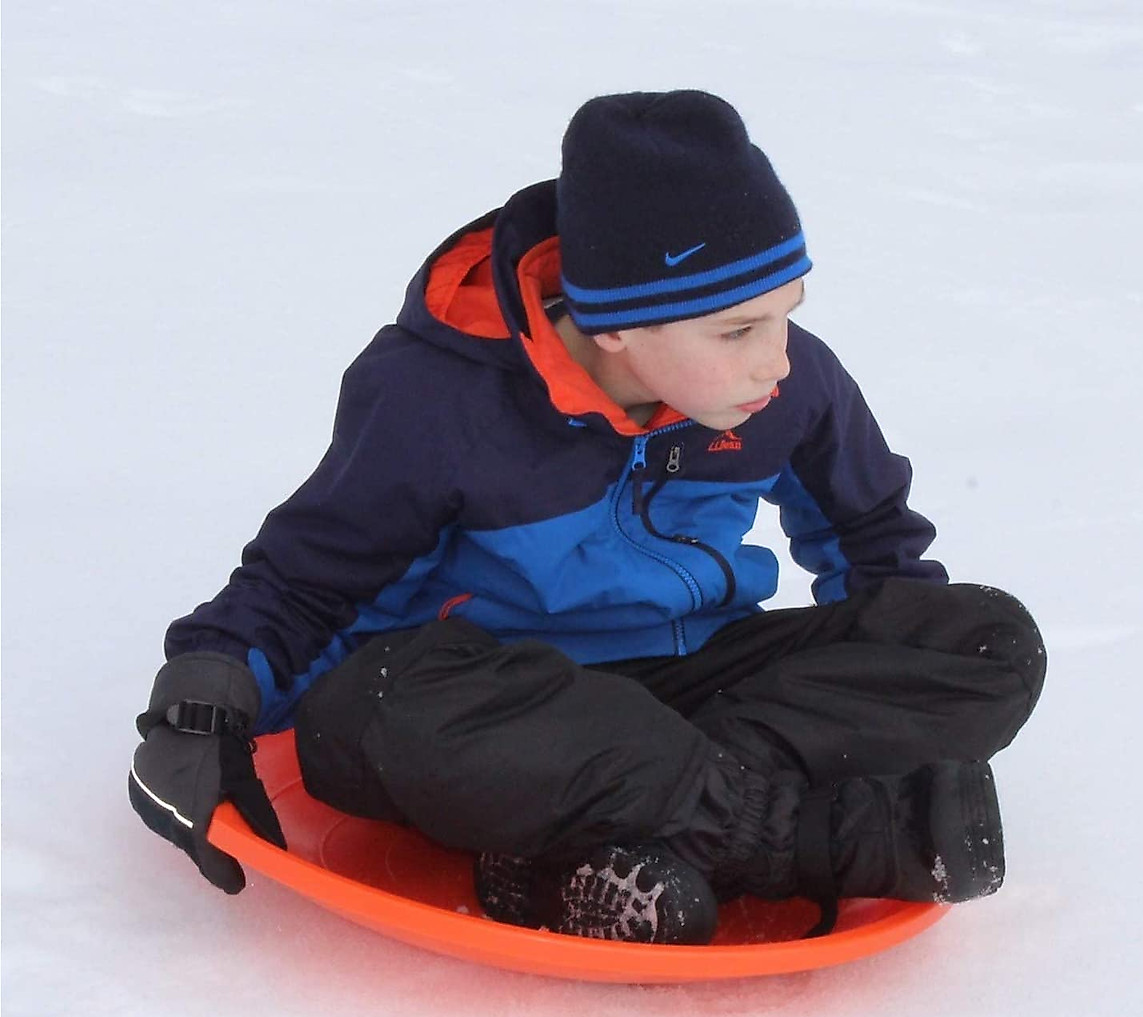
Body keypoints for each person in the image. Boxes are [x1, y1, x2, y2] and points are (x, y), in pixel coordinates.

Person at [128, 90, 1046, 945]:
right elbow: (305, 578)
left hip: (697, 694)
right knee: (378, 712)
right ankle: (802, 838)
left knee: (984, 640)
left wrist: (895, 673)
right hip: (500, 706)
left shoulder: (789, 385)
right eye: (737, 331)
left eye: (786, 314)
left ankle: (598, 853)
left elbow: (878, 553)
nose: (778, 358)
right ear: (616, 327)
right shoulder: (438, 399)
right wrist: (201, 706)